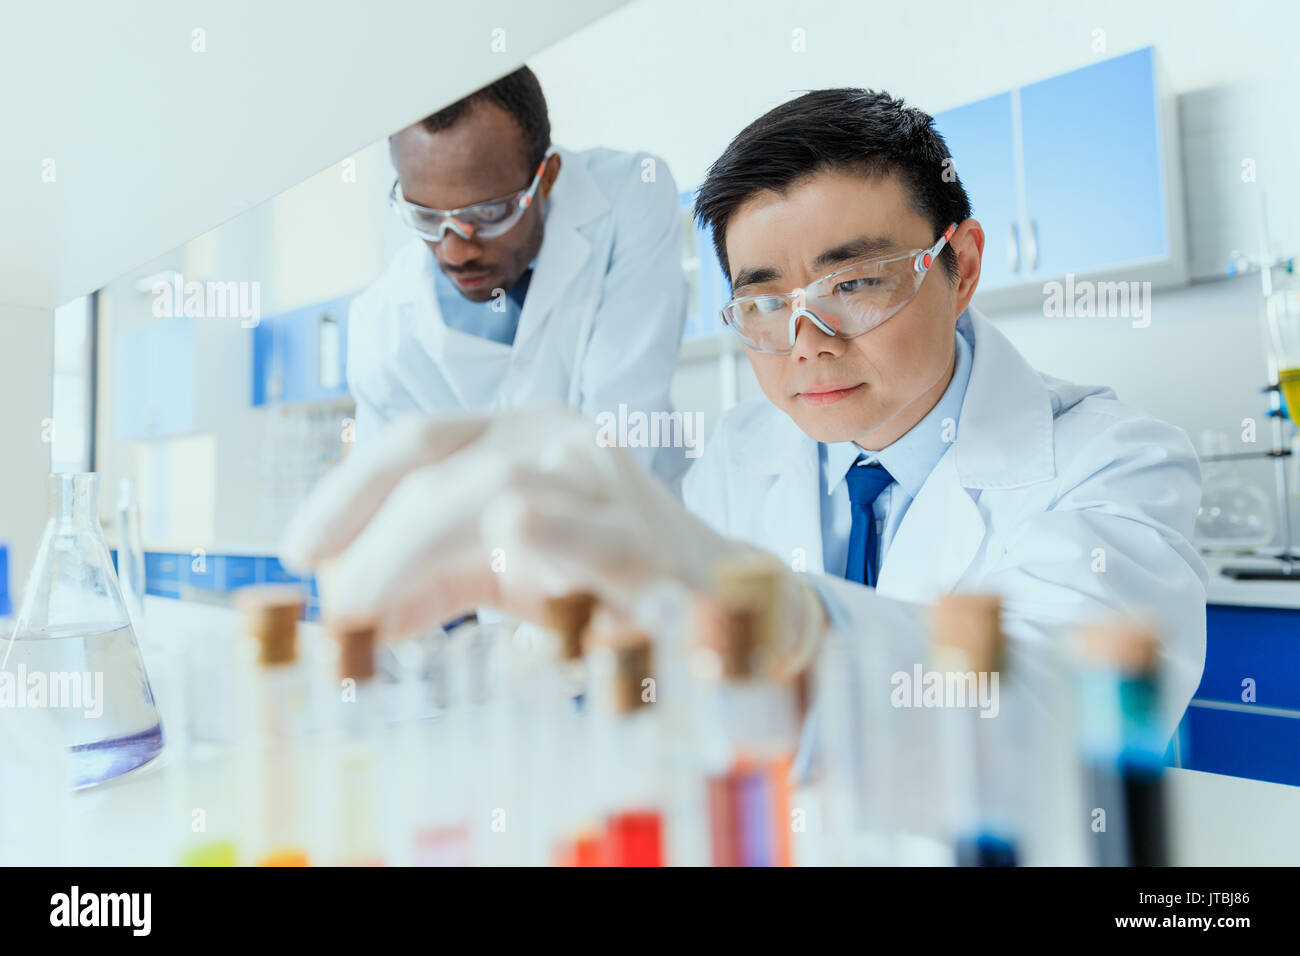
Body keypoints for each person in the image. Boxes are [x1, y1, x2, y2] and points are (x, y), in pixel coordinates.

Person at [284, 88, 1207, 743]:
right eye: (764, 302)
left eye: (853, 283)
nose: (806, 342)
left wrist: (787, 629)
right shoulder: (739, 455)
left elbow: (1065, 721)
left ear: (960, 266)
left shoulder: (1116, 463)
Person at [346, 66, 690, 487]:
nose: (455, 250)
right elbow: (384, 502)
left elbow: (618, 441)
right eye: (425, 215)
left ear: (546, 180)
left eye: (488, 214)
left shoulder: (628, 197)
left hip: (639, 541)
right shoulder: (382, 324)